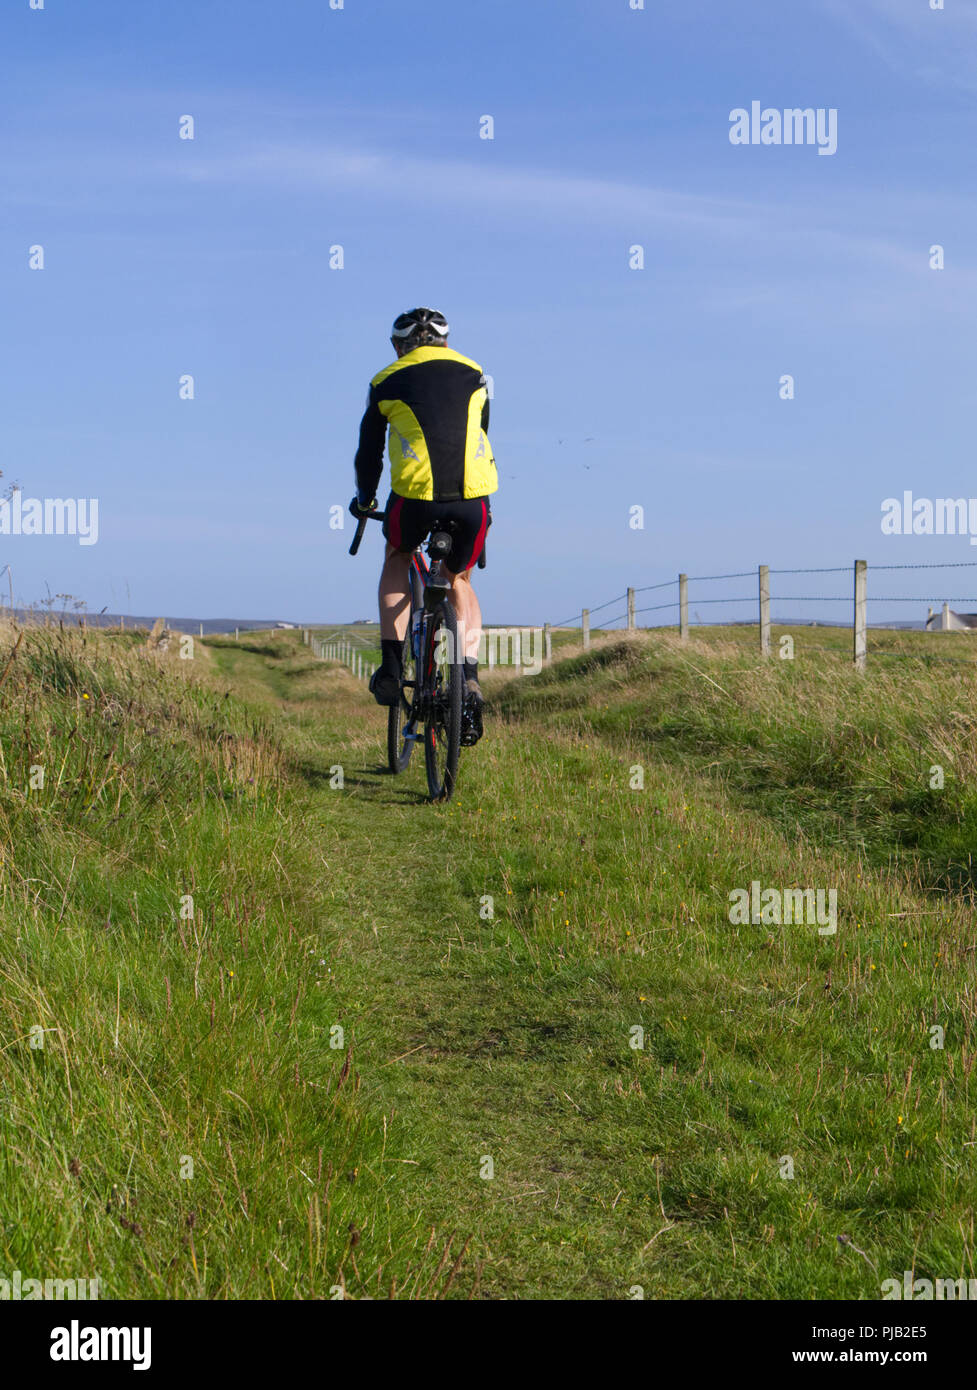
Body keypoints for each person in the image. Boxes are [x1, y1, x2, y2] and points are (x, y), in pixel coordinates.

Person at [351, 307, 497, 722]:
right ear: (446, 343)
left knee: (397, 555)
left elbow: (369, 455)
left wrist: (364, 500)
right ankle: (468, 679)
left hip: (414, 498)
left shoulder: (385, 381)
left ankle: (393, 670)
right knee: (459, 579)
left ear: (398, 347)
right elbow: (481, 436)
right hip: (473, 500)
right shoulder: (477, 374)